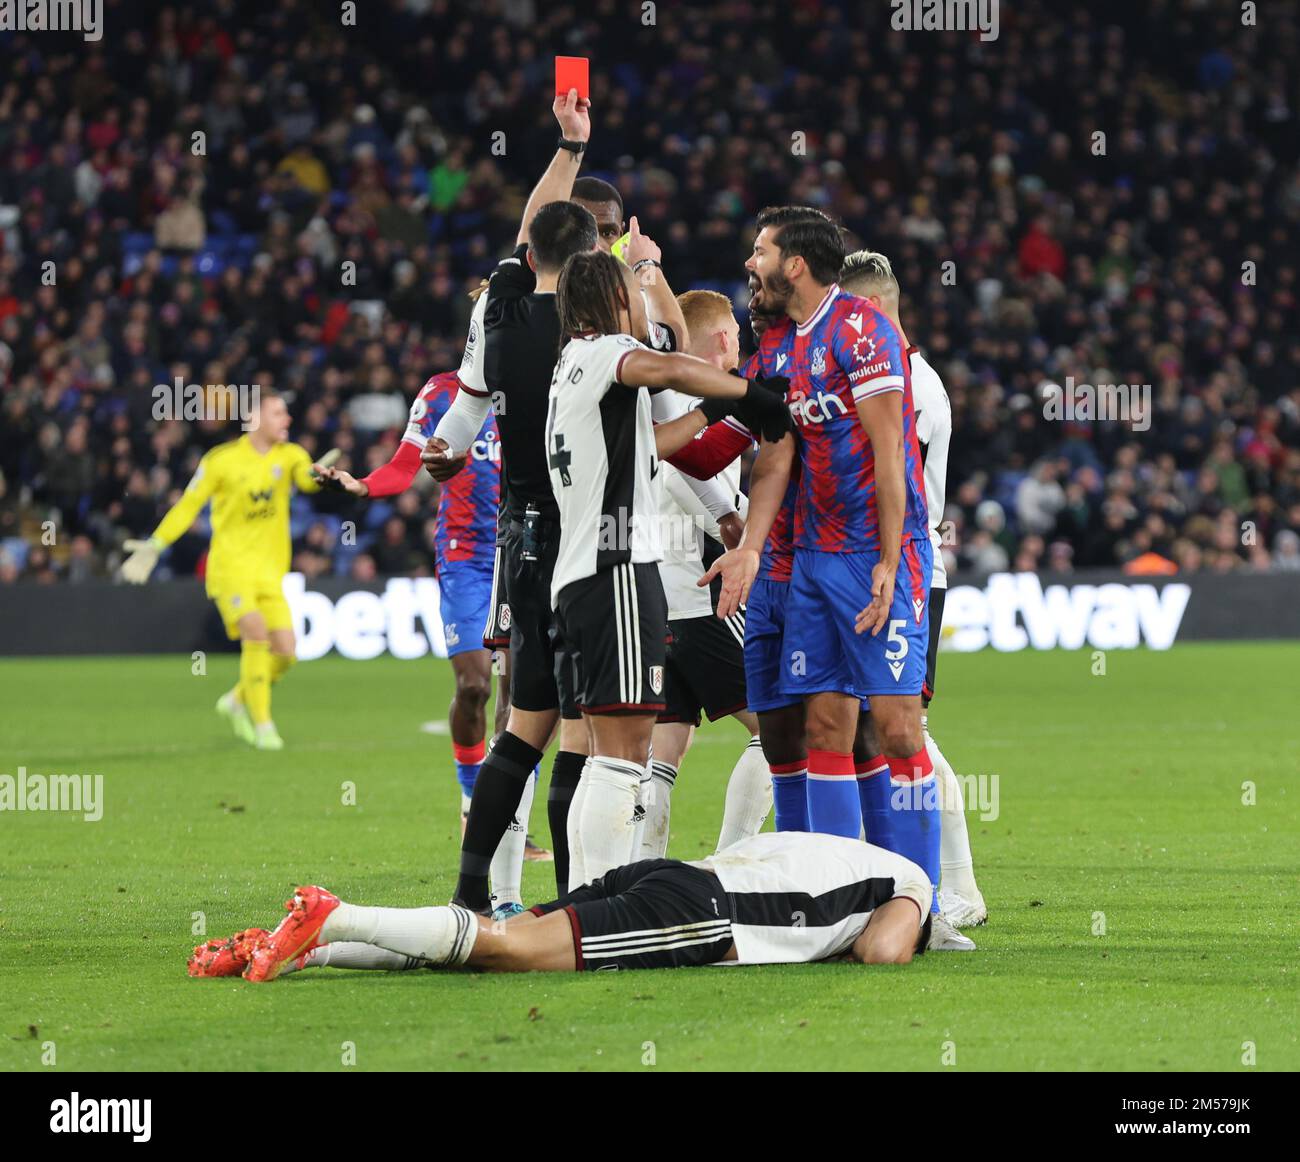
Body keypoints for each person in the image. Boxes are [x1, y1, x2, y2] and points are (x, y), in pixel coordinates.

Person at [708, 207, 938, 902]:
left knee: (897, 729)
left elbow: (890, 451)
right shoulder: (779, 348)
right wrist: (750, 548)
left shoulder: (861, 330)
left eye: (760, 251)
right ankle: (844, 901)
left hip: (877, 553)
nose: (751, 263)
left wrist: (892, 561)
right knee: (827, 726)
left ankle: (921, 897)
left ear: (795, 264)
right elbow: (775, 458)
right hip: (811, 557)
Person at [546, 250, 790, 887]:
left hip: (579, 576)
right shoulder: (608, 355)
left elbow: (654, 449)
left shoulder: (569, 370)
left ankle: (609, 890)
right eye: (629, 291)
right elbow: (663, 360)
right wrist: (751, 395)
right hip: (624, 573)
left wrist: (714, 412)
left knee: (625, 756)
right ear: (610, 299)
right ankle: (606, 900)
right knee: (634, 759)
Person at [317, 369, 549, 917]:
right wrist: (363, 485)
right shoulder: (445, 392)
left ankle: (510, 826)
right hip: (467, 556)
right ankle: (473, 799)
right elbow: (407, 462)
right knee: (474, 685)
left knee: (521, 698)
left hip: (526, 547)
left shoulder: (541, 374)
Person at [188, 830, 933, 981]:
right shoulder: (912, 883)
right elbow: (884, 951)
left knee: (494, 938)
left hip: (667, 873)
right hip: (700, 914)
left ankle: (301, 946)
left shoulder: (840, 849)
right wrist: (918, 920)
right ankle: (335, 917)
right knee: (507, 953)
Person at [838, 250, 986, 929]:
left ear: (870, 309)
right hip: (877, 571)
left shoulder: (912, 388)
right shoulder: (890, 377)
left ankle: (954, 887)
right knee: (873, 728)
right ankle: (891, 874)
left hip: (907, 576)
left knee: (904, 732)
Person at [120, 393, 334, 750]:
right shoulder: (221, 461)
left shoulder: (291, 455)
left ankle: (236, 700)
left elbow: (308, 480)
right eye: (278, 413)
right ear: (255, 418)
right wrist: (156, 545)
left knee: (286, 652)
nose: (287, 420)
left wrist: (320, 477)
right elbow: (189, 505)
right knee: (256, 633)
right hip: (230, 568)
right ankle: (264, 726)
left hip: (270, 572)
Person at [642, 288, 772, 859]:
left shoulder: (652, 395)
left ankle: (639, 877)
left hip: (657, 605)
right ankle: (729, 864)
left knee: (662, 751)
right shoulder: (690, 401)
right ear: (724, 339)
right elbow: (684, 475)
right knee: (779, 726)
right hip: (706, 602)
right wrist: (738, 519)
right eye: (737, 338)